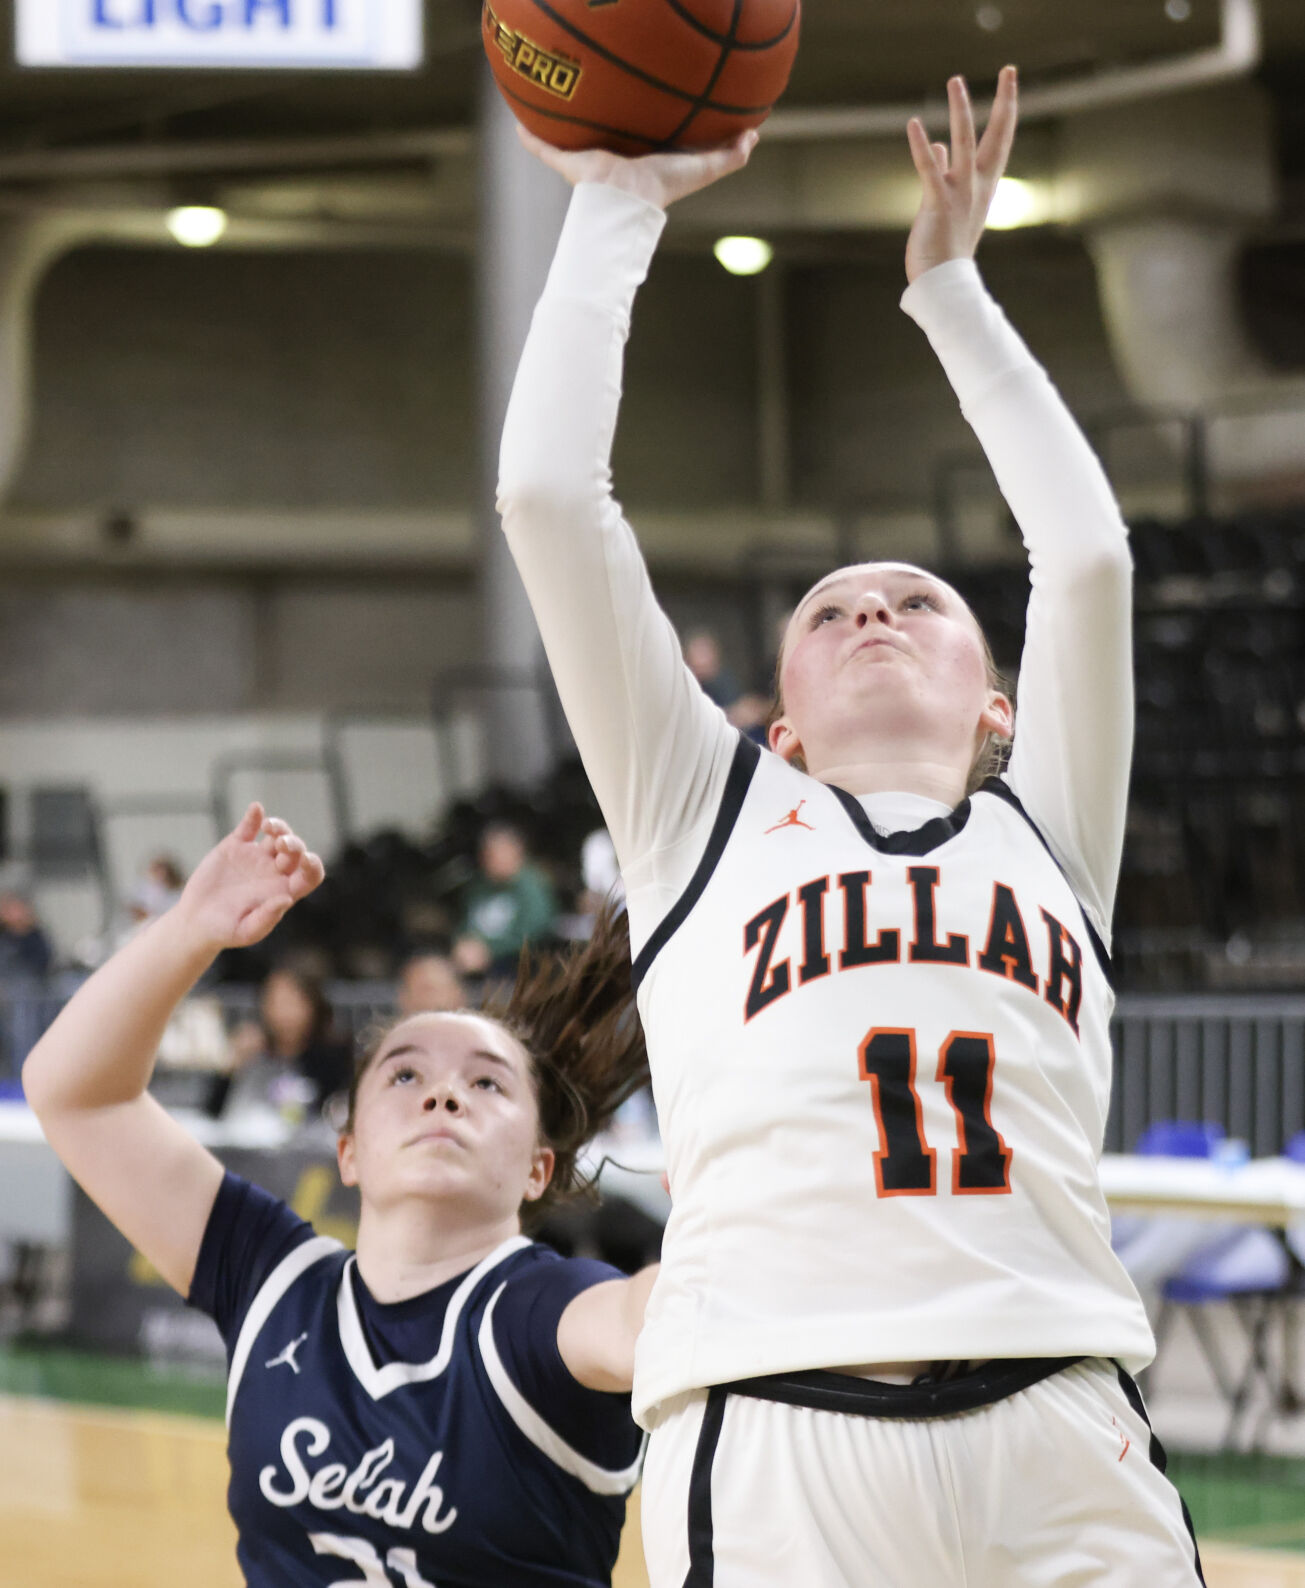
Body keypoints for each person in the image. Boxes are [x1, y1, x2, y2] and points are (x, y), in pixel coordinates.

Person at [500, 67, 1205, 1587]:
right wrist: (614, 208)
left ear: (1001, 706)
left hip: (1063, 1418)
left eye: (922, 601)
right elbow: (551, 496)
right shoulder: (703, 815)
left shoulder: (1054, 829)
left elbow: (1083, 556)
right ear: (783, 726)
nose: (876, 608)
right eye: (831, 609)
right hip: (775, 1431)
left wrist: (949, 290)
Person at [22, 803, 655, 1588]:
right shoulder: (274, 1279)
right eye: (405, 1073)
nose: (442, 1095)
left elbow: (644, 1321)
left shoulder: (542, 1311)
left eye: (485, 1082)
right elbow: (75, 1093)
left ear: (538, 1168)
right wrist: (191, 927)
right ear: (348, 1153)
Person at [212, 963, 352, 1121]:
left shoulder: (331, 1055)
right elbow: (214, 1111)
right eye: (275, 1001)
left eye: (291, 1002)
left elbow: (336, 1109)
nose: (283, 1012)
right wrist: (232, 1067)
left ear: (312, 1005)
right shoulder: (255, 1054)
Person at [452, 821, 556, 980]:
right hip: (473, 962)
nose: (490, 860)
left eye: (496, 854)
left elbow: (535, 933)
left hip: (516, 966)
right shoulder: (478, 887)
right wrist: (462, 945)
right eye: (487, 855)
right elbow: (465, 924)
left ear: (516, 852)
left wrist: (489, 951)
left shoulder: (532, 887)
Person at [396, 949, 468, 1017]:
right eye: (420, 990)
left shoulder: (473, 1029)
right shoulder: (398, 1029)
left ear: (457, 994)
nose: (427, 998)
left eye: (431, 989)